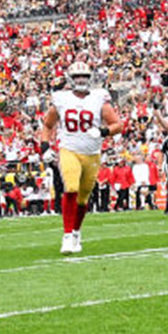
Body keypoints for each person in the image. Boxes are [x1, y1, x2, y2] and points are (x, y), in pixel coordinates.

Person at [38, 61, 126, 255]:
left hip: (92, 153)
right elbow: (48, 125)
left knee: (83, 197)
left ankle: (76, 231)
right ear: (70, 78)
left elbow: (117, 125)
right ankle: (67, 235)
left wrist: (103, 131)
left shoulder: (98, 99)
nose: (81, 80)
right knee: (70, 187)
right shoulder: (61, 99)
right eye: (77, 77)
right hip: (68, 149)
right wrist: (44, 146)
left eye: (84, 77)